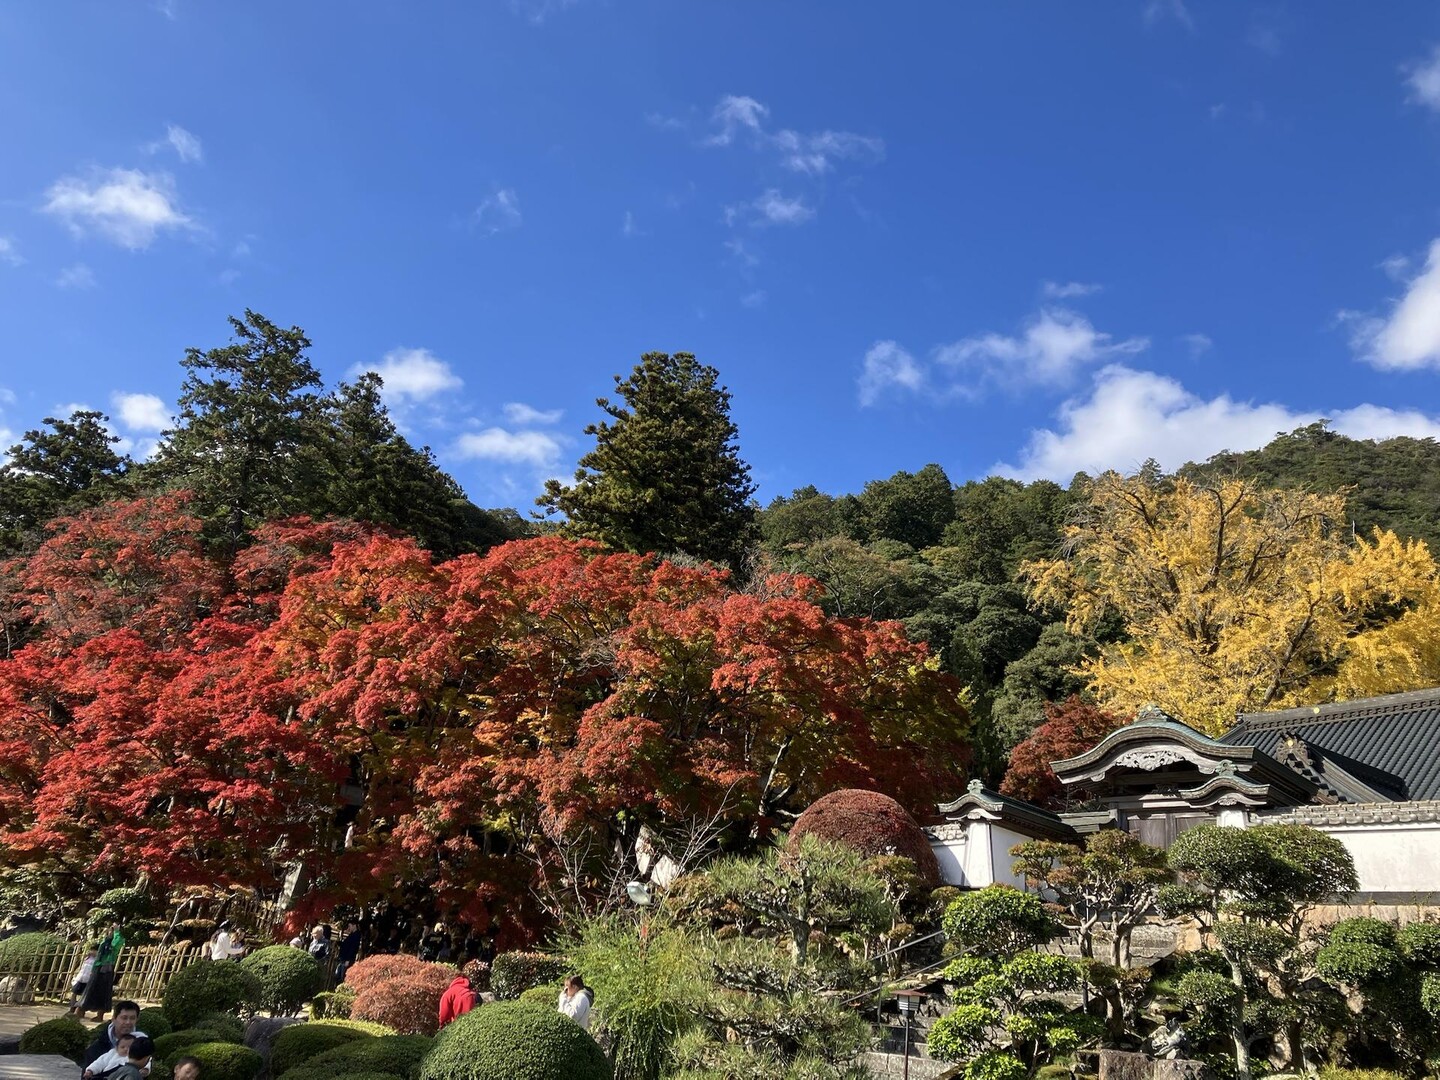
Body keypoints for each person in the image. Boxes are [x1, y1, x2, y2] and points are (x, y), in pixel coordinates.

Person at [80, 1000, 148, 1076]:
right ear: (114, 1019)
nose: (128, 1022)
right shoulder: (97, 1047)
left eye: (132, 1018)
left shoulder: (142, 1042)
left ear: (137, 1020)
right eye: (124, 1018)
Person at [78, 925, 125, 1020]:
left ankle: (100, 1015)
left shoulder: (113, 945)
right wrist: (93, 969)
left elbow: (118, 941)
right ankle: (80, 1011)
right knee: (90, 990)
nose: (108, 933)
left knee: (103, 992)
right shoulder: (104, 943)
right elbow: (98, 956)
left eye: (110, 932)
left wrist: (116, 931)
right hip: (98, 968)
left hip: (106, 970)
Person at [68, 945, 97, 1014]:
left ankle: (81, 1010)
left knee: (84, 996)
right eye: (91, 950)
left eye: (94, 950)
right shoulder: (86, 958)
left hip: (88, 980)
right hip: (81, 978)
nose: (92, 952)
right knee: (74, 993)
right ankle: (72, 1007)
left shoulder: (97, 961)